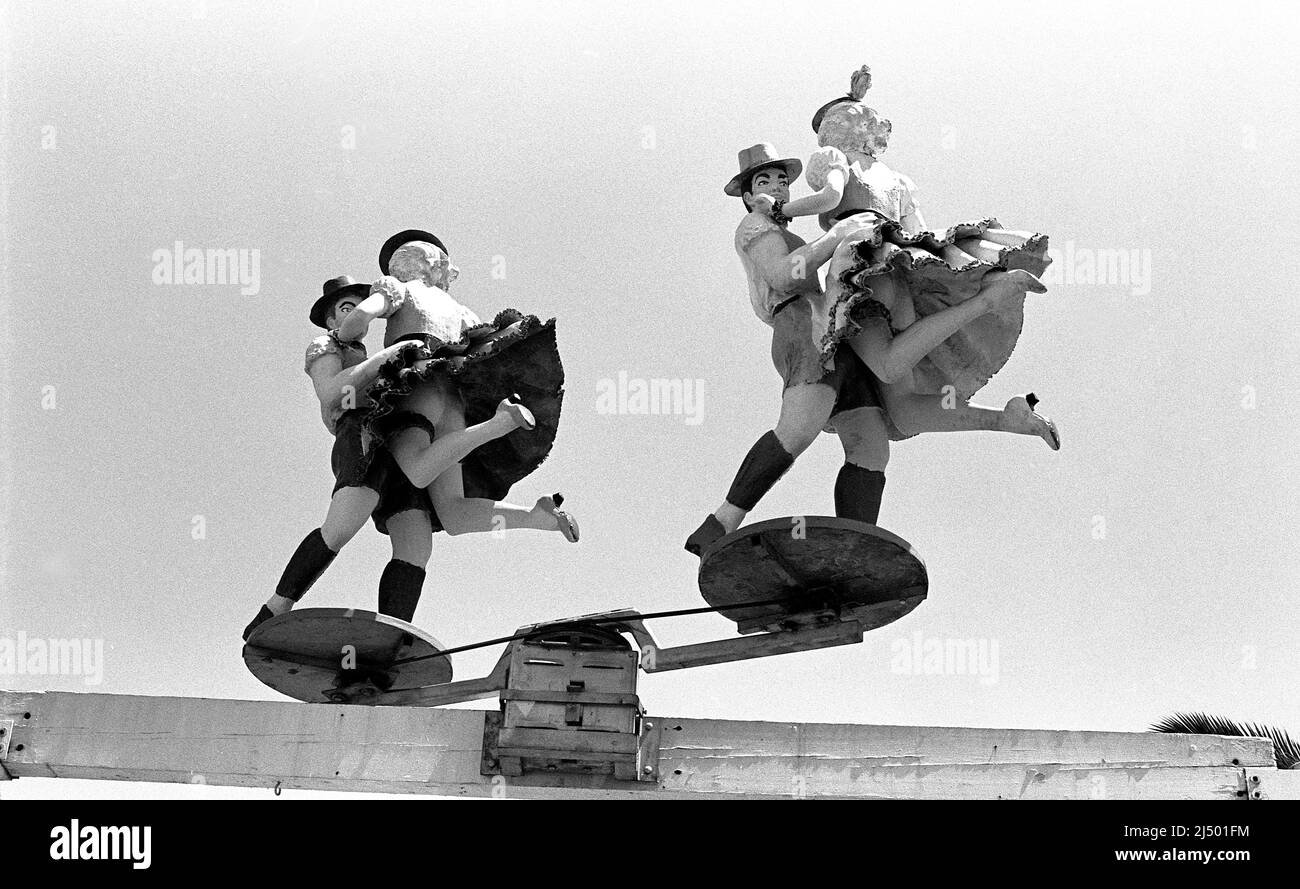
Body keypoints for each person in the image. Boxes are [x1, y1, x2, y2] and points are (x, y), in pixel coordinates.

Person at [685, 141, 1051, 556]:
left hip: (831, 328)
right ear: (749, 196)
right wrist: (838, 234)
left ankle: (853, 543)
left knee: (871, 446)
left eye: (783, 181)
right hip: (801, 327)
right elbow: (786, 275)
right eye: (765, 181)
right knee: (799, 428)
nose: (779, 188)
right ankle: (718, 524)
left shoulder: (785, 228)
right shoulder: (755, 228)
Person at [241, 276, 533, 641]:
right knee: (342, 526)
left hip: (393, 441)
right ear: (331, 321)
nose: (352, 317)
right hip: (361, 437)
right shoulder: (325, 347)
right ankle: (276, 606)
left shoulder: (369, 352)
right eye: (344, 309)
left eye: (356, 307)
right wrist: (387, 358)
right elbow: (334, 392)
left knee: (416, 543)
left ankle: (391, 636)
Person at [337, 229, 578, 543]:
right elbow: (484, 345)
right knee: (453, 513)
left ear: (402, 264)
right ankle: (539, 517)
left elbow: (357, 320)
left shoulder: (397, 288)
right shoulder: (459, 308)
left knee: (417, 470)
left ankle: (499, 424)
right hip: (453, 394)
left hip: (415, 383)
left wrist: (343, 336)